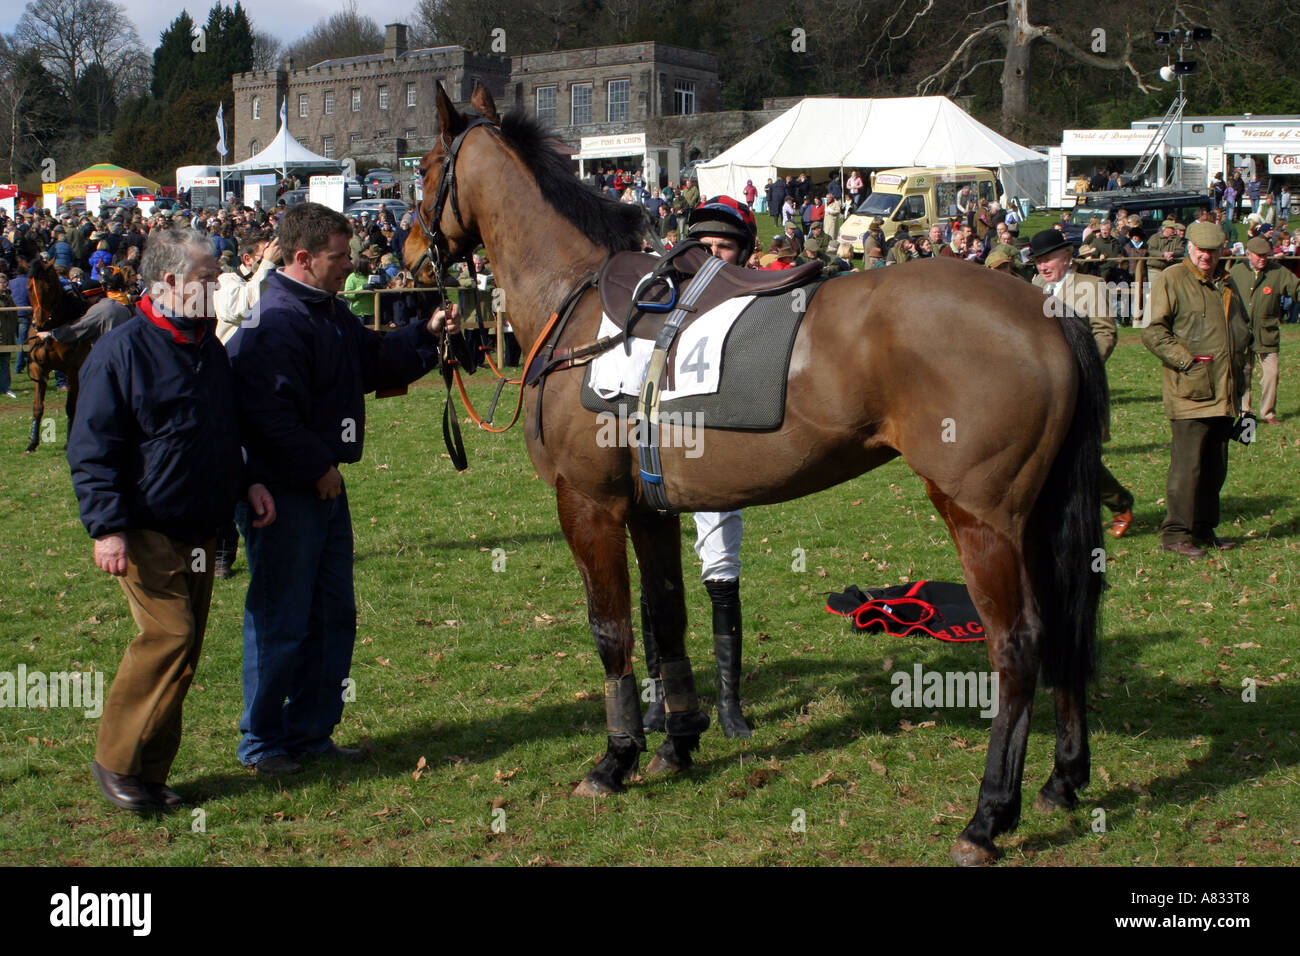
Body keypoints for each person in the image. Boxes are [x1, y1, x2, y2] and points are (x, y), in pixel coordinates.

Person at [227, 202, 459, 775]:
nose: (348, 264)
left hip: (323, 490)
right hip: (284, 495)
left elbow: (372, 359)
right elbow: (266, 415)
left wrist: (425, 334)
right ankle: (262, 742)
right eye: (339, 257)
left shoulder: (324, 310)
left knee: (332, 613)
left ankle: (309, 731)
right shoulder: (274, 321)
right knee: (282, 615)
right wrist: (315, 468)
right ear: (303, 258)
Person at [67, 227, 276, 811]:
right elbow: (92, 447)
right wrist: (106, 526)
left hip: (203, 528)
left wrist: (248, 482)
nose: (219, 287)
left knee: (184, 654)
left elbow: (221, 433)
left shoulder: (207, 347)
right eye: (209, 279)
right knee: (169, 636)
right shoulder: (121, 351)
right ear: (168, 284)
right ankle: (115, 761)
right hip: (144, 528)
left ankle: (149, 774)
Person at [639, 196, 758, 739]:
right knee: (654, 576)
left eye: (724, 247)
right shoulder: (658, 302)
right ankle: (658, 693)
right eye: (703, 246)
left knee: (721, 568)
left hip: (715, 452)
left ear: (743, 252)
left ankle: (729, 699)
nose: (712, 257)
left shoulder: (758, 307)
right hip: (657, 448)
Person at [1141, 222, 1253, 559]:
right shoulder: (1172, 279)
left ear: (1222, 252)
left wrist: (1242, 385)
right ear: (1189, 247)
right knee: (1187, 468)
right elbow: (1154, 332)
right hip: (1190, 393)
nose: (1207, 256)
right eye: (1201, 250)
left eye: (1213, 251)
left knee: (1215, 467)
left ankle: (1204, 529)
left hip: (1225, 391)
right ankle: (1176, 534)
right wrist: (1188, 364)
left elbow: (1242, 333)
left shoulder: (1227, 282)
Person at [1029, 228, 1133, 536]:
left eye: (1049, 260)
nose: (1043, 267)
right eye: (1038, 262)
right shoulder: (1035, 287)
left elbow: (1105, 333)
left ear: (1067, 257)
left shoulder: (1090, 286)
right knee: (1048, 452)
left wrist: (1083, 368)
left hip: (1080, 383)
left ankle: (1118, 503)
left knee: (1077, 455)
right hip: (1042, 385)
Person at [1229, 235, 1298, 425]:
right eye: (1258, 255)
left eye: (1266, 255)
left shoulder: (1277, 272)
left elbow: (1296, 288)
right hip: (1242, 334)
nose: (1263, 259)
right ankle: (1246, 413)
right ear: (1248, 254)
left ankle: (1268, 413)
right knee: (1245, 373)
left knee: (1272, 374)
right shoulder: (1236, 273)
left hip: (1267, 333)